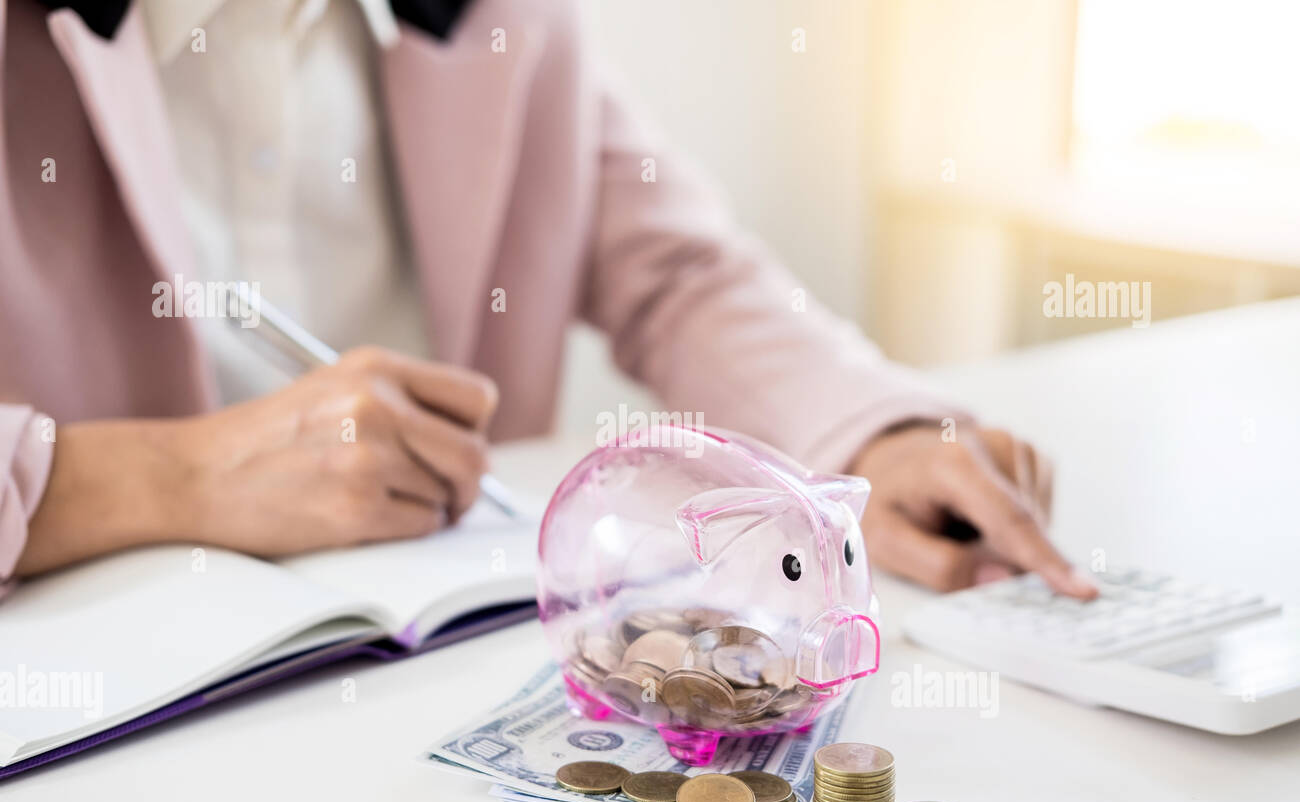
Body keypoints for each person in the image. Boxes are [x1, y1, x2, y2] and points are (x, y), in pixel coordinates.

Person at [0, 0, 1097, 599]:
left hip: (442, 654)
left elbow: (680, 273)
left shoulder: (506, 16)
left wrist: (874, 433)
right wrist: (179, 477)